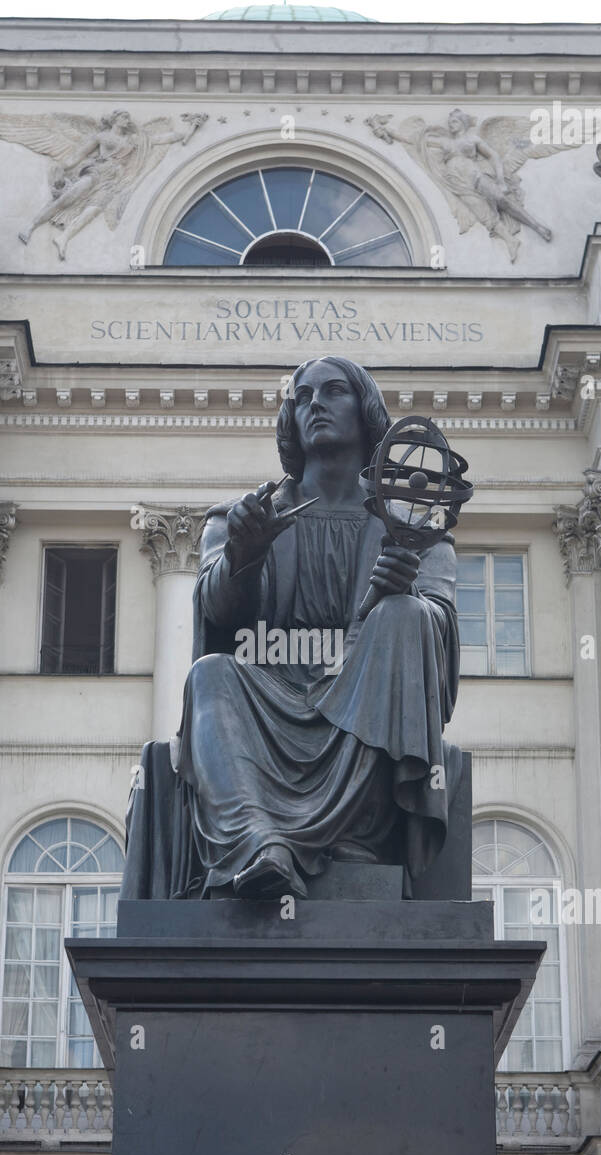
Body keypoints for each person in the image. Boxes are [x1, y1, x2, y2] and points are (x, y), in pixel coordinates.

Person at [122, 356, 463, 901]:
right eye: (302, 397)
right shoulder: (242, 517)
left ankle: (358, 836)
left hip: (364, 698)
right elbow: (215, 617)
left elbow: (439, 629)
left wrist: (406, 595)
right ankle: (259, 845)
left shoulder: (414, 529)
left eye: (332, 392)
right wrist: (244, 558)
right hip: (268, 695)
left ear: (366, 412)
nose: (315, 405)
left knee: (406, 616)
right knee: (210, 676)